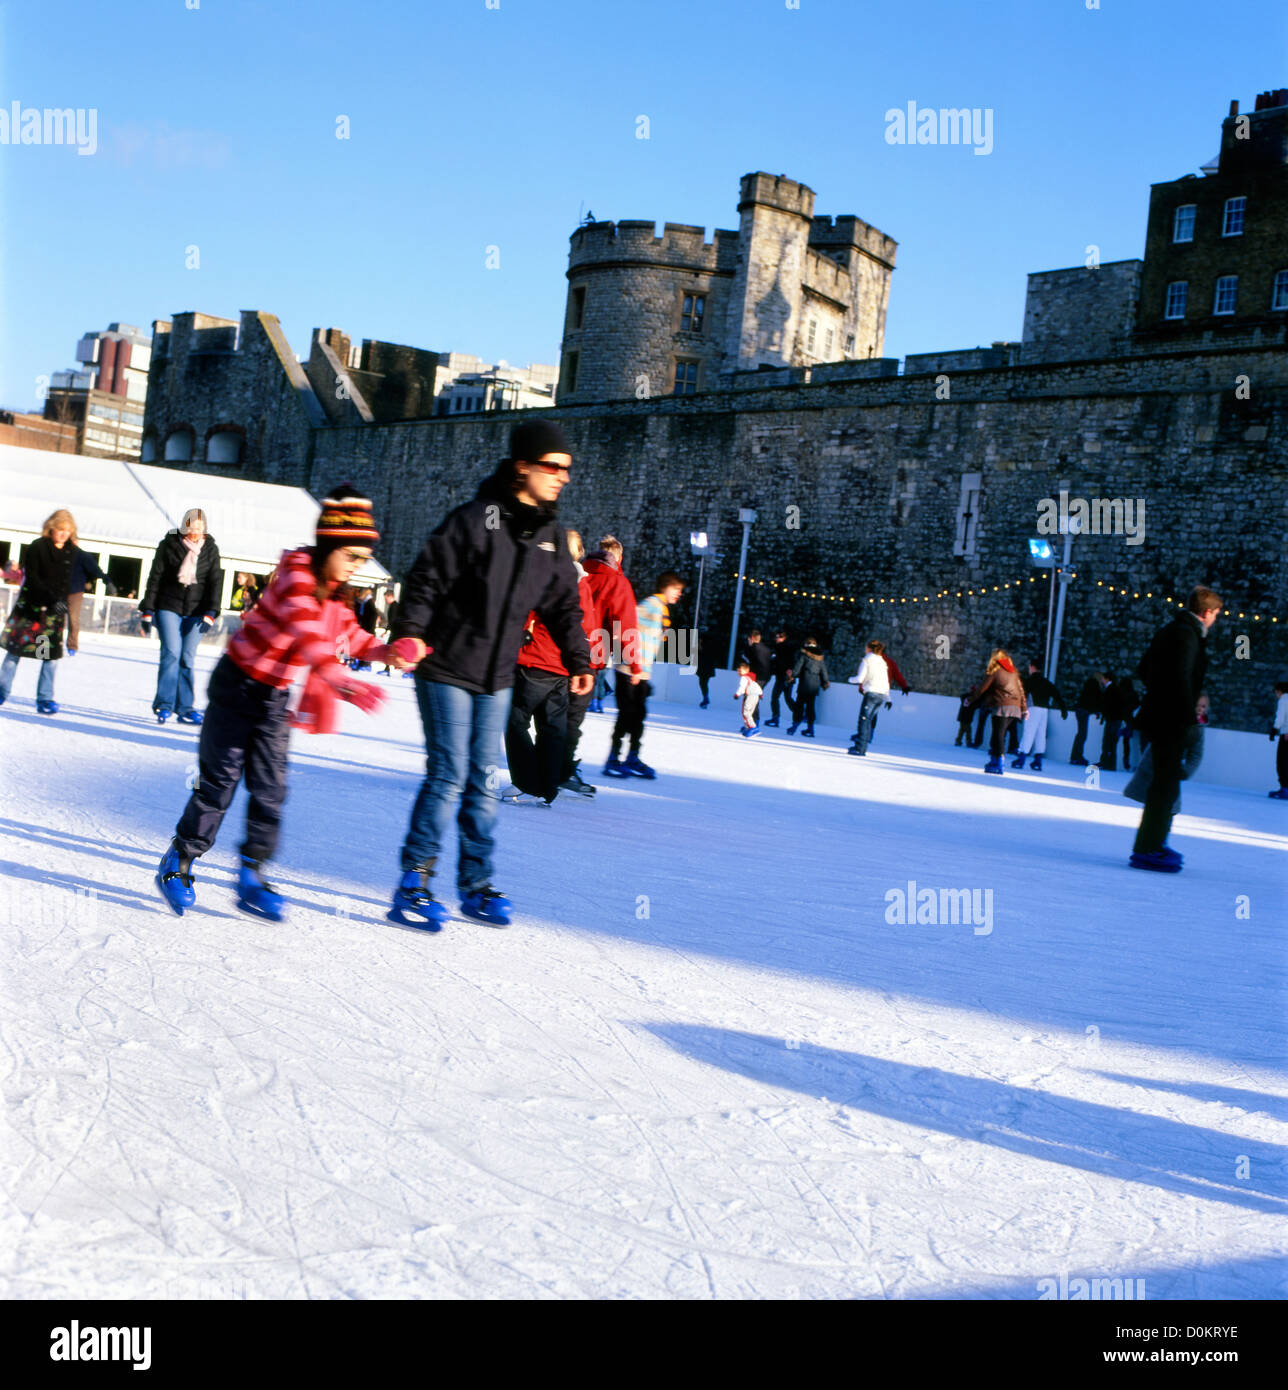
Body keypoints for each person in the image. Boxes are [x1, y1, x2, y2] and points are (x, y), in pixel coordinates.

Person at [155, 487, 418, 920]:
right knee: (219, 783)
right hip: (237, 685)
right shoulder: (297, 573)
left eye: (361, 559)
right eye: (351, 556)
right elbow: (307, 633)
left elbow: (347, 637)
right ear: (329, 545)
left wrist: (386, 652)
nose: (356, 566)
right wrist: (340, 680)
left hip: (273, 697)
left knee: (271, 788)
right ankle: (179, 862)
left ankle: (252, 874)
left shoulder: (336, 594)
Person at [389, 421, 593, 928]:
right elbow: (426, 578)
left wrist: (579, 659)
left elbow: (565, 604)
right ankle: (415, 880)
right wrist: (411, 630)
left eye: (567, 469)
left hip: (498, 676)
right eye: (553, 466)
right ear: (522, 466)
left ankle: (476, 885)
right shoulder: (477, 518)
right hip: (446, 667)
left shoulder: (547, 535)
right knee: (449, 775)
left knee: (482, 780)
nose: (562, 476)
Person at [1129, 587, 1222, 872]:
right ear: (1206, 613)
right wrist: (1185, 717)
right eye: (1216, 614)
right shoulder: (1188, 635)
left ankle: (1152, 844)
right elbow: (1182, 679)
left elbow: (1144, 669)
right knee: (1165, 787)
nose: (1216, 619)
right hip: (1172, 721)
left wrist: (1157, 695)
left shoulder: (1171, 630)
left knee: (1163, 785)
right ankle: (1150, 847)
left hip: (1160, 717)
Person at [505, 528, 600, 804]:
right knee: (552, 728)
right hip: (564, 666)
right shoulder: (583, 583)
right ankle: (547, 787)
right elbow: (589, 626)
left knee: (514, 720)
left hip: (536, 659)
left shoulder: (547, 576)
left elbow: (526, 612)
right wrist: (583, 664)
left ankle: (526, 782)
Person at [140, 508, 224, 725]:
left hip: (198, 612)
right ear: (183, 526)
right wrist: (148, 609)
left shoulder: (211, 549)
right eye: (191, 526)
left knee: (187, 656)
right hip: (168, 605)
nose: (195, 531)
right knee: (171, 653)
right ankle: (164, 705)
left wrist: (212, 611)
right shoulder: (168, 545)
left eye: (199, 527)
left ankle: (185, 708)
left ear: (204, 528)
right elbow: (155, 578)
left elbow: (215, 581)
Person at [604, 570, 685, 777]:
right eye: (676, 589)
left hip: (642, 672)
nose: (679, 594)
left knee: (638, 716)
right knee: (627, 715)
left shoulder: (662, 610)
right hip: (629, 669)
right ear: (665, 587)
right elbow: (626, 624)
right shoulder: (651, 605)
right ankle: (613, 759)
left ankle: (632, 756)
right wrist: (631, 663)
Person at [0, 510, 76, 714]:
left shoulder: (72, 552)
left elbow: (76, 578)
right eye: (60, 529)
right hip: (31, 611)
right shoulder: (38, 547)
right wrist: (52, 599)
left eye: (67, 530)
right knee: (15, 653)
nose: (63, 534)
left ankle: (44, 698)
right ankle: (1, 691)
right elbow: (32, 578)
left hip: (51, 617)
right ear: (51, 528)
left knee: (48, 656)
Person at [584, 538, 644, 770]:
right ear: (618, 558)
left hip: (560, 650)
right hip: (591, 656)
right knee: (569, 719)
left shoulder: (578, 573)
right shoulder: (618, 582)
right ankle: (558, 770)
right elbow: (625, 629)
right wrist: (635, 665)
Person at [969, 648, 1027, 775]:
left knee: (998, 735)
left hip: (1002, 705)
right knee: (999, 734)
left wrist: (970, 700)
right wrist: (1024, 709)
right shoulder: (1014, 672)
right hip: (1015, 707)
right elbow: (1021, 690)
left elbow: (982, 689)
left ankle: (999, 762)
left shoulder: (995, 671)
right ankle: (995, 759)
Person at [1011, 658, 1067, 771]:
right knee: (1040, 734)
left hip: (1033, 708)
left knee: (1029, 732)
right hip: (1044, 710)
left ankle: (1021, 758)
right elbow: (1056, 694)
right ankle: (1038, 760)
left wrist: (1017, 709)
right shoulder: (1046, 682)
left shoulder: (1030, 681)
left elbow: (1021, 695)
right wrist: (1063, 709)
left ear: (1032, 667)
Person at [66, 543, 115, 654]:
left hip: (75, 592)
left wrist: (107, 582)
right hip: (58, 591)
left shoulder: (82, 556)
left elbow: (96, 571)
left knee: (73, 619)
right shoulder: (57, 554)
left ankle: (72, 646)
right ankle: (45, 646)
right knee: (52, 618)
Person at [847, 640, 890, 756]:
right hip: (881, 695)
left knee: (863, 721)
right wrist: (888, 698)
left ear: (869, 649)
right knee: (869, 721)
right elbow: (886, 682)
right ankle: (862, 747)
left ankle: (860, 748)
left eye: (866, 647)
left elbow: (860, 679)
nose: (865, 649)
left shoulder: (867, 660)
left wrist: (850, 679)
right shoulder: (882, 662)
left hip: (871, 693)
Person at [787, 636, 829, 736]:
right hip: (814, 686)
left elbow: (797, 668)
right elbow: (823, 671)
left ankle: (794, 726)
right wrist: (825, 682)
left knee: (799, 706)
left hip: (804, 684)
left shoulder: (804, 655)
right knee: (811, 707)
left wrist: (792, 676)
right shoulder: (820, 658)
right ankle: (810, 728)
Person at [1069, 670, 1110, 765]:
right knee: (1082, 734)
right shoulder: (1095, 686)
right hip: (1084, 711)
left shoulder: (1089, 684)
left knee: (1081, 734)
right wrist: (1098, 710)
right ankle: (1076, 756)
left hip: (1081, 710)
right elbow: (1095, 700)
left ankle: (1076, 756)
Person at [763, 630, 795, 726]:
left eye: (779, 637)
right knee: (788, 698)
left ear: (783, 638)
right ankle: (801, 714)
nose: (777, 639)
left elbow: (780, 663)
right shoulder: (785, 648)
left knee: (775, 698)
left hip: (783, 677)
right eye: (776, 637)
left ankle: (775, 718)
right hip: (786, 677)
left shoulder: (780, 648)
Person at [740, 629, 774, 703]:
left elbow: (747, 661)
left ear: (751, 638)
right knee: (754, 698)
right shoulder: (767, 649)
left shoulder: (751, 649)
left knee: (750, 698)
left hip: (757, 676)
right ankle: (753, 713)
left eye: (748, 639)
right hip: (766, 677)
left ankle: (752, 714)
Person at [1268, 680, 1288, 800]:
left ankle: (1285, 789)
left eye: (1276, 693)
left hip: (1286, 735)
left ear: (1279, 691)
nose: (1276, 695)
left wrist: (1274, 730)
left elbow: (1280, 717)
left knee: (1282, 762)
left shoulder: (1284, 700)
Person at [733, 659, 763, 737]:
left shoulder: (744, 678)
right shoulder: (751, 678)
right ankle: (749, 727)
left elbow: (742, 687)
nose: (739, 672)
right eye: (738, 671)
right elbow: (757, 686)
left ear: (746, 671)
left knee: (746, 712)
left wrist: (737, 694)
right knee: (750, 712)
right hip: (756, 696)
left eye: (740, 671)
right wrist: (760, 694)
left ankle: (753, 727)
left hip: (750, 696)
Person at [696, 628, 718, 708]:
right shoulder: (713, 644)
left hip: (703, 666)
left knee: (702, 683)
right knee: (705, 683)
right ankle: (705, 698)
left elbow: (698, 651)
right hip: (710, 666)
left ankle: (705, 698)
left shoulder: (702, 644)